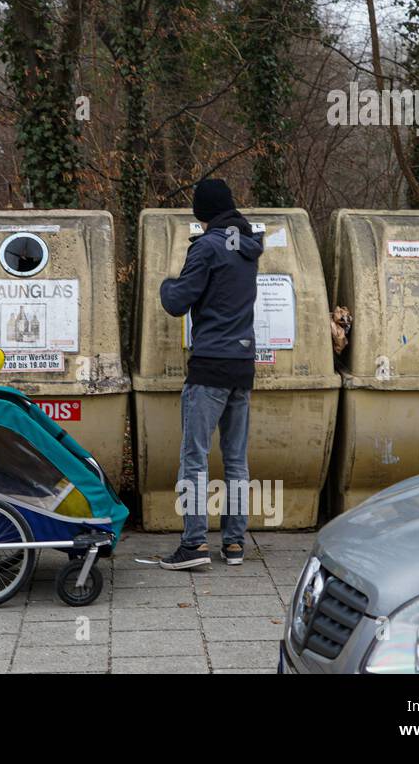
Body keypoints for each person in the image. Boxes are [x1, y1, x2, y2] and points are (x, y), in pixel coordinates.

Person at [156, 178, 263, 569]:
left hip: (210, 366)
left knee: (194, 459)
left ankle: (194, 544)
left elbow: (178, 302)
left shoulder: (206, 247)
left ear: (203, 213)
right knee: (235, 459)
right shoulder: (248, 246)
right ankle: (234, 543)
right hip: (242, 364)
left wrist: (167, 284)